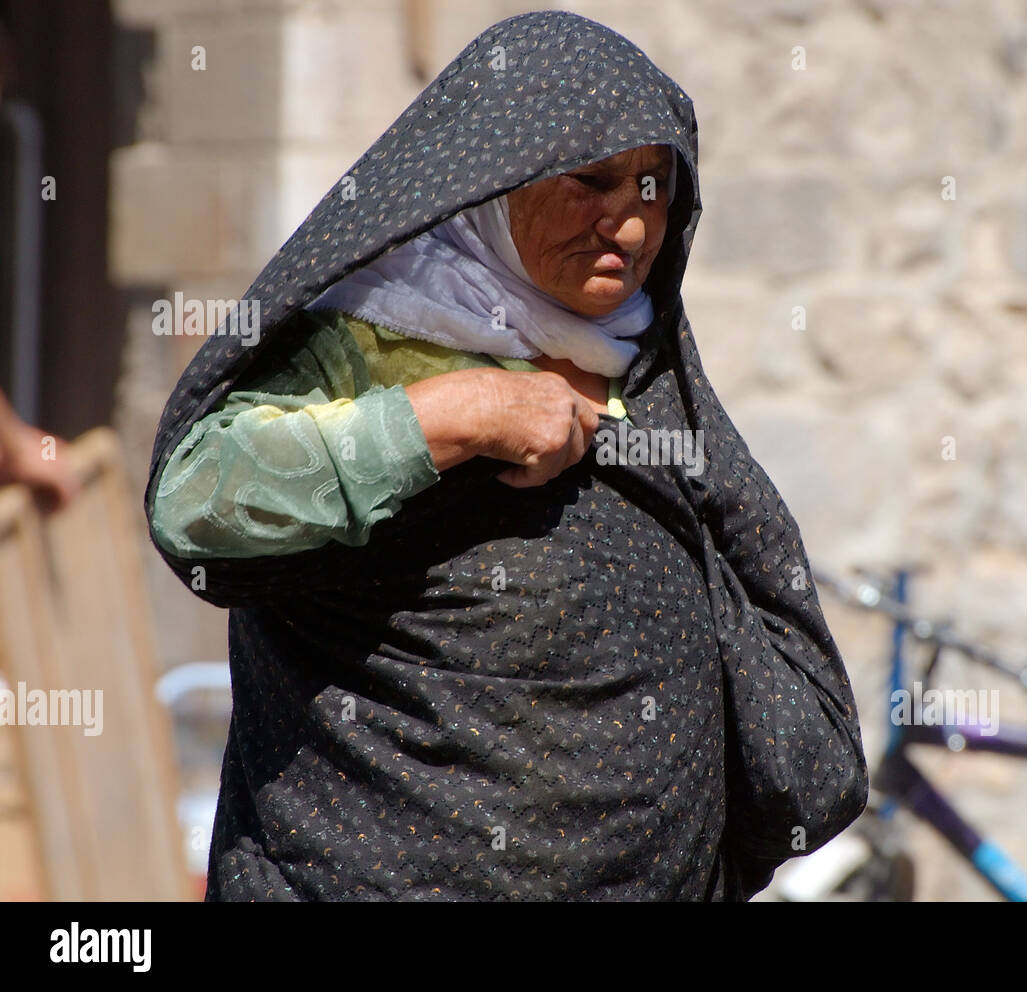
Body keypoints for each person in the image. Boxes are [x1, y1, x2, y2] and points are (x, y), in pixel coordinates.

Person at [145, 10, 868, 901]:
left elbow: (751, 586)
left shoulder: (644, 365)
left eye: (653, 187)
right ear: (492, 181)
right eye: (592, 181)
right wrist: (458, 416)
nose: (633, 227)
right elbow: (198, 502)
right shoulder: (362, 344)